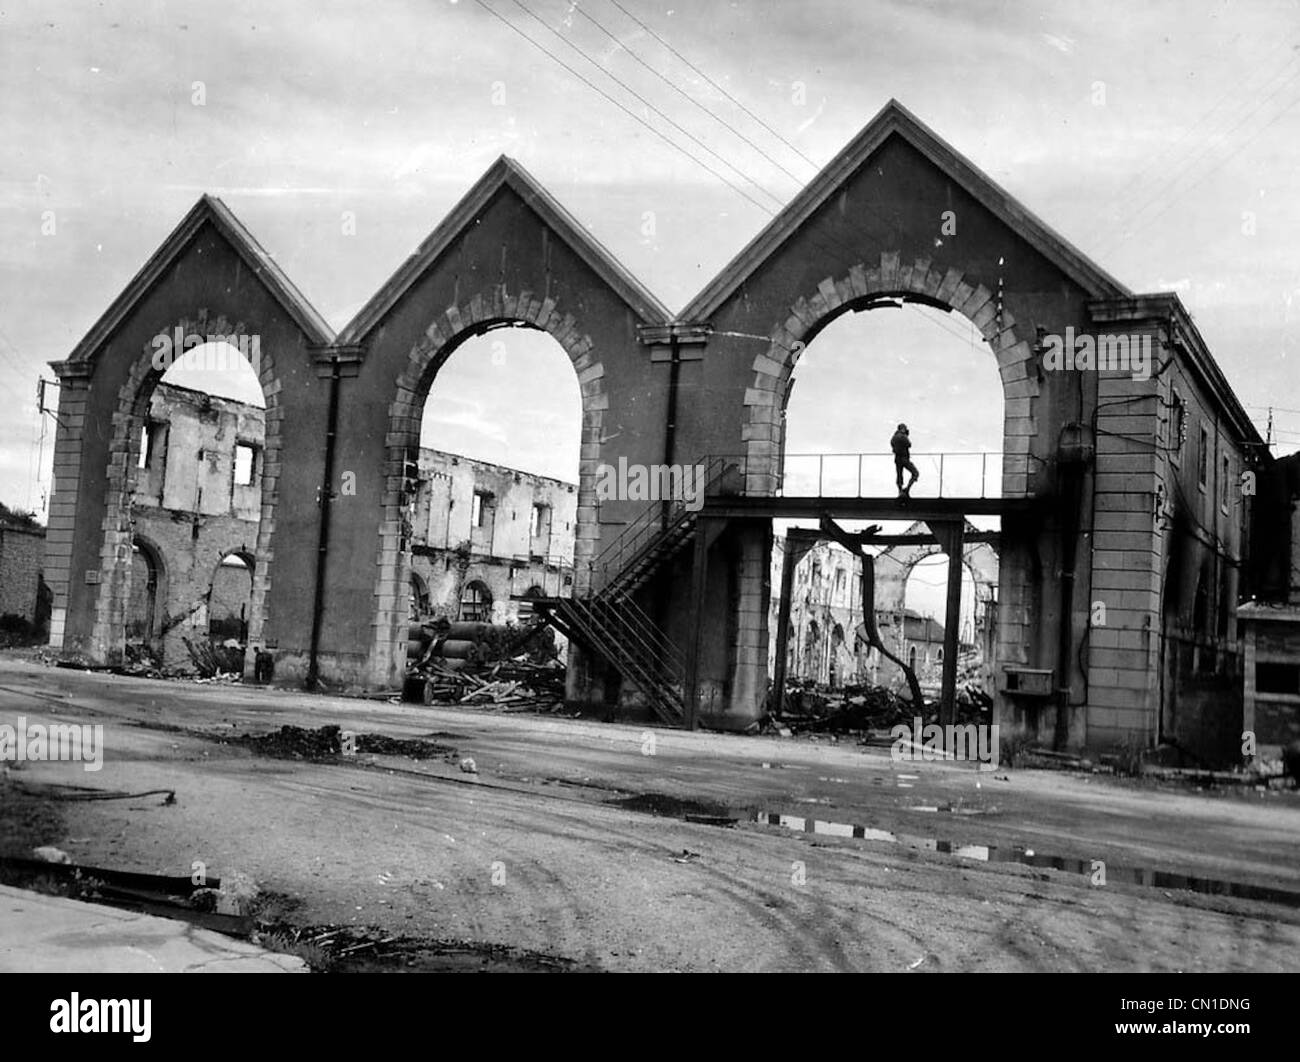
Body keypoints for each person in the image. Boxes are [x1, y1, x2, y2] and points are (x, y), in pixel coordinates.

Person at [891, 423, 919, 497]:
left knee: (899, 475)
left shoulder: (894, 437)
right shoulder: (903, 436)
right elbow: (909, 444)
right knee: (915, 473)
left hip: (897, 459)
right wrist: (906, 436)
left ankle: (900, 491)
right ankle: (907, 490)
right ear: (902, 429)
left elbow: (892, 444)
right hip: (904, 458)